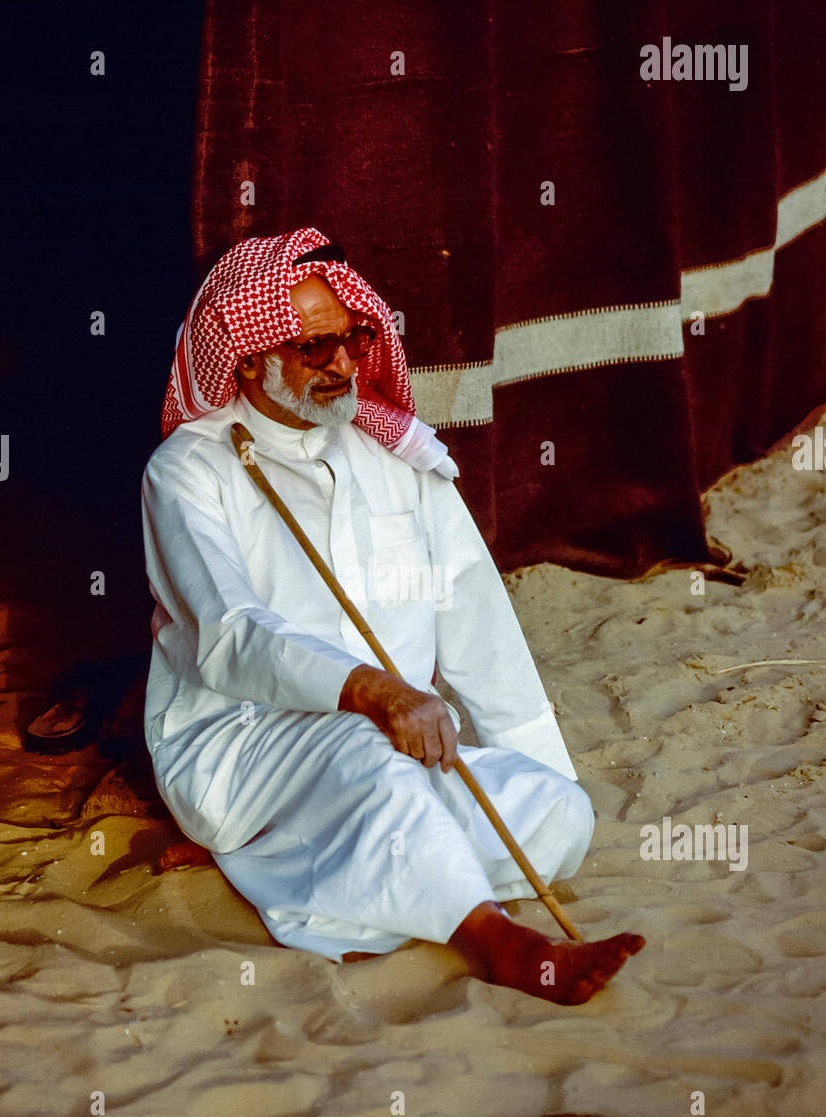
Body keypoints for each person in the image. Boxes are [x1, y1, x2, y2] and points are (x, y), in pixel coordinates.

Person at [141, 228, 644, 1004]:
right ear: (246, 359)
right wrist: (373, 691)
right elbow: (227, 633)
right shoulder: (189, 470)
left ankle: (280, 858)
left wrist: (530, 759)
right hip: (241, 745)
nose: (343, 363)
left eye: (354, 338)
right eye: (314, 347)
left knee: (557, 817)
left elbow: (479, 626)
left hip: (396, 742)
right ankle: (497, 944)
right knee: (363, 748)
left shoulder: (396, 459)